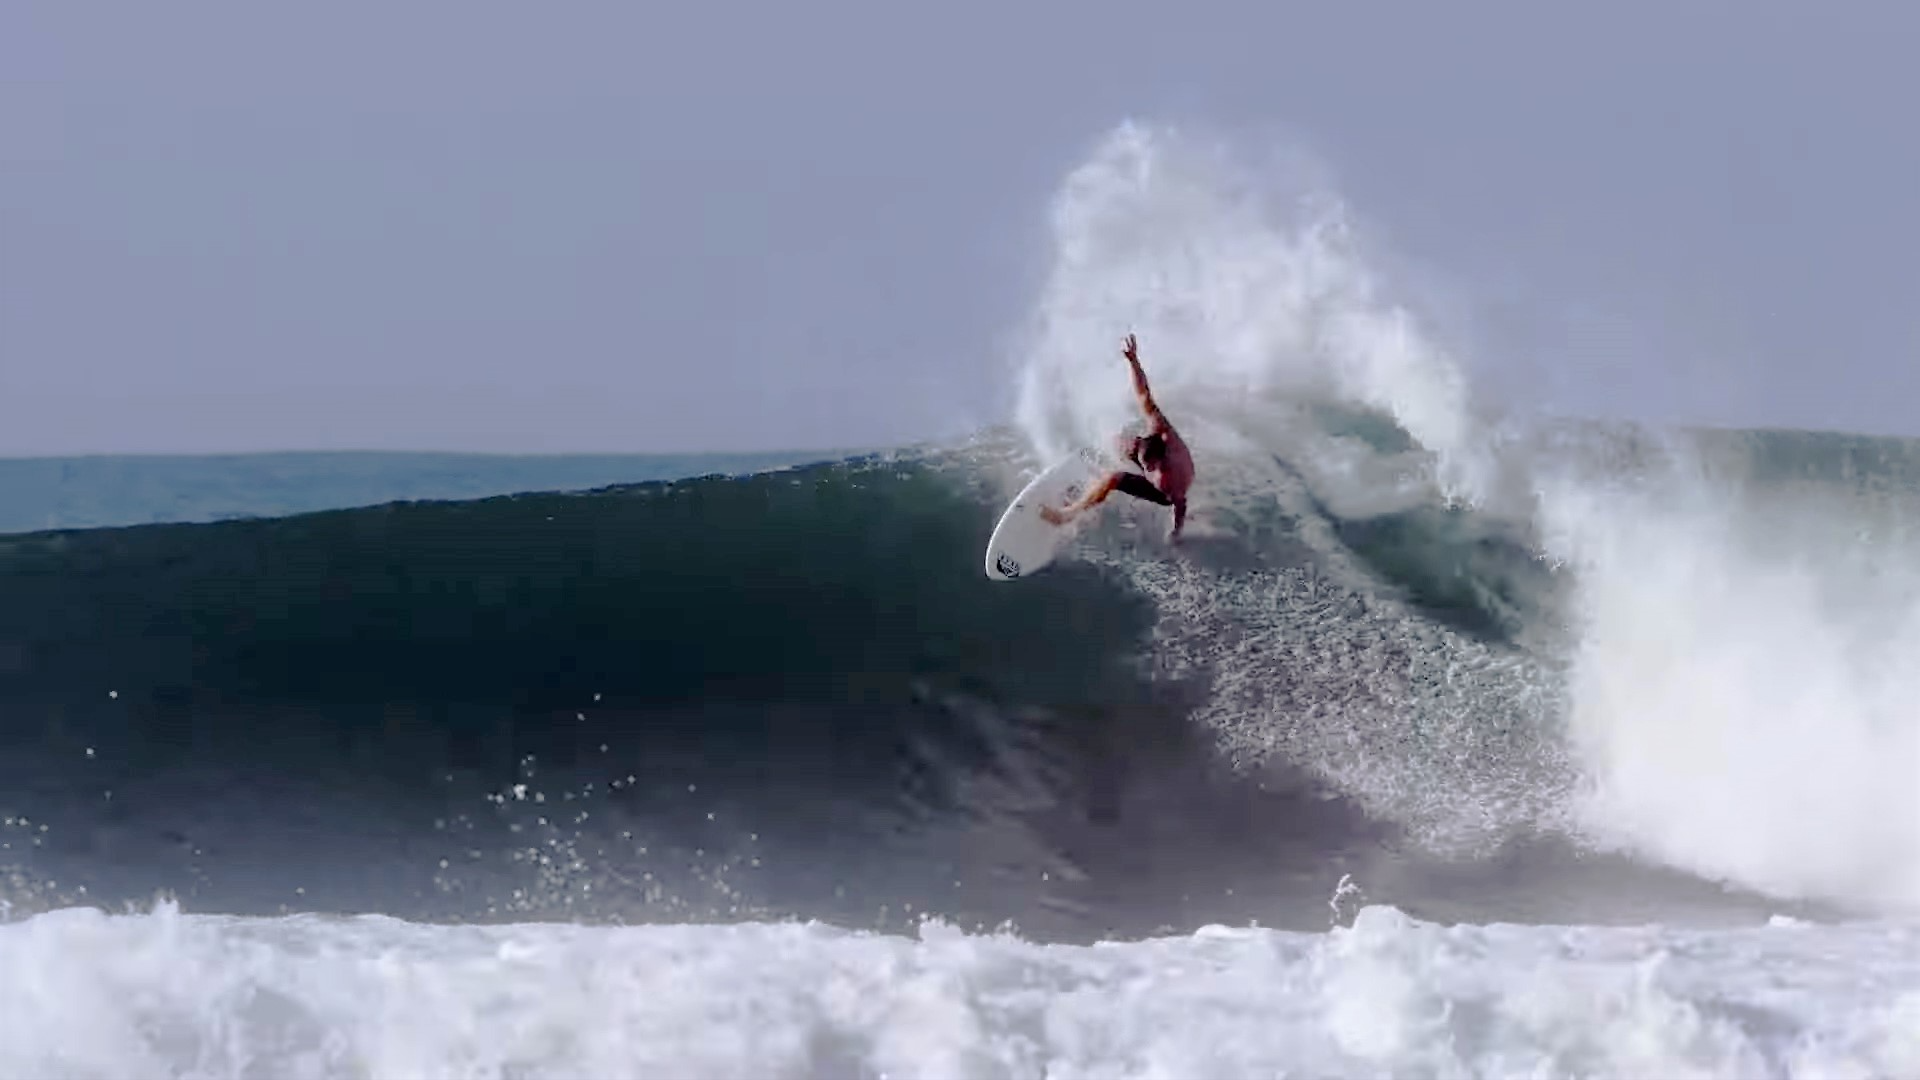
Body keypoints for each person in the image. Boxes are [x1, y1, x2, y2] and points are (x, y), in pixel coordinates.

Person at [1041, 333, 1194, 542]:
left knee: (1114, 478)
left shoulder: (1170, 481)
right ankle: (1093, 483)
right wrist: (1133, 360)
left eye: (1153, 469)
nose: (1150, 473)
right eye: (1145, 467)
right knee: (1119, 443)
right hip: (1151, 450)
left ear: (1164, 461)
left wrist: (1177, 533)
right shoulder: (1156, 426)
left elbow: (1181, 504)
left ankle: (1066, 515)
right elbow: (1143, 394)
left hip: (1168, 493)